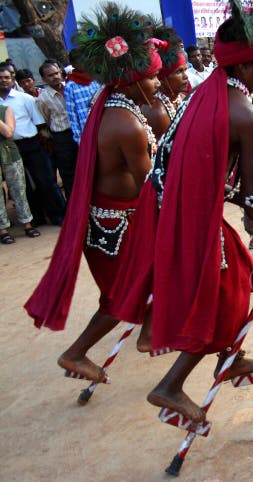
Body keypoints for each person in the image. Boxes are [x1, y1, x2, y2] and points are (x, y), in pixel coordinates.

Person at [109, 3, 253, 423]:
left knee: (239, 278)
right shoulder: (247, 115)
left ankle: (229, 359)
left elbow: (209, 174)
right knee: (227, 294)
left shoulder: (205, 93)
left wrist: (246, 202)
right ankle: (171, 386)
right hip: (185, 214)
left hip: (168, 205)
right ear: (247, 64)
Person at [24, 3, 162, 383]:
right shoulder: (127, 124)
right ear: (134, 81)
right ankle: (75, 354)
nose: (157, 84)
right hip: (112, 226)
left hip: (119, 219)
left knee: (151, 274)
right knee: (118, 300)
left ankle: (149, 333)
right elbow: (152, 182)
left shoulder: (120, 110)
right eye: (153, 78)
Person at [0, 63, 65, 226]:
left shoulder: (25, 99)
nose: (3, 81)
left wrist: (46, 146)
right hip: (9, 148)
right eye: (0, 78)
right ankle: (36, 218)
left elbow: (40, 123)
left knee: (46, 180)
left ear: (12, 79)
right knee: (23, 186)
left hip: (31, 144)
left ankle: (59, 215)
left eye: (7, 77)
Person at [37, 60, 79, 200]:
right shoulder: (43, 99)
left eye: (56, 73)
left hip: (79, 133)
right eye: (50, 75)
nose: (55, 77)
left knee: (85, 167)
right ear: (44, 79)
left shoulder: (72, 88)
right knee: (68, 173)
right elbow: (46, 120)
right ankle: (73, 205)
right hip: (62, 137)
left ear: (61, 72)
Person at [0, 103, 39, 243]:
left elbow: (8, 133)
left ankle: (27, 224)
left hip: (9, 153)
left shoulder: (5, 109)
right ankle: (3, 230)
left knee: (19, 189)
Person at [64, 48, 103, 145]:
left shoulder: (98, 78)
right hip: (88, 131)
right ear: (73, 64)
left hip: (104, 125)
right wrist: (79, 139)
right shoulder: (70, 86)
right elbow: (72, 115)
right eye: (81, 61)